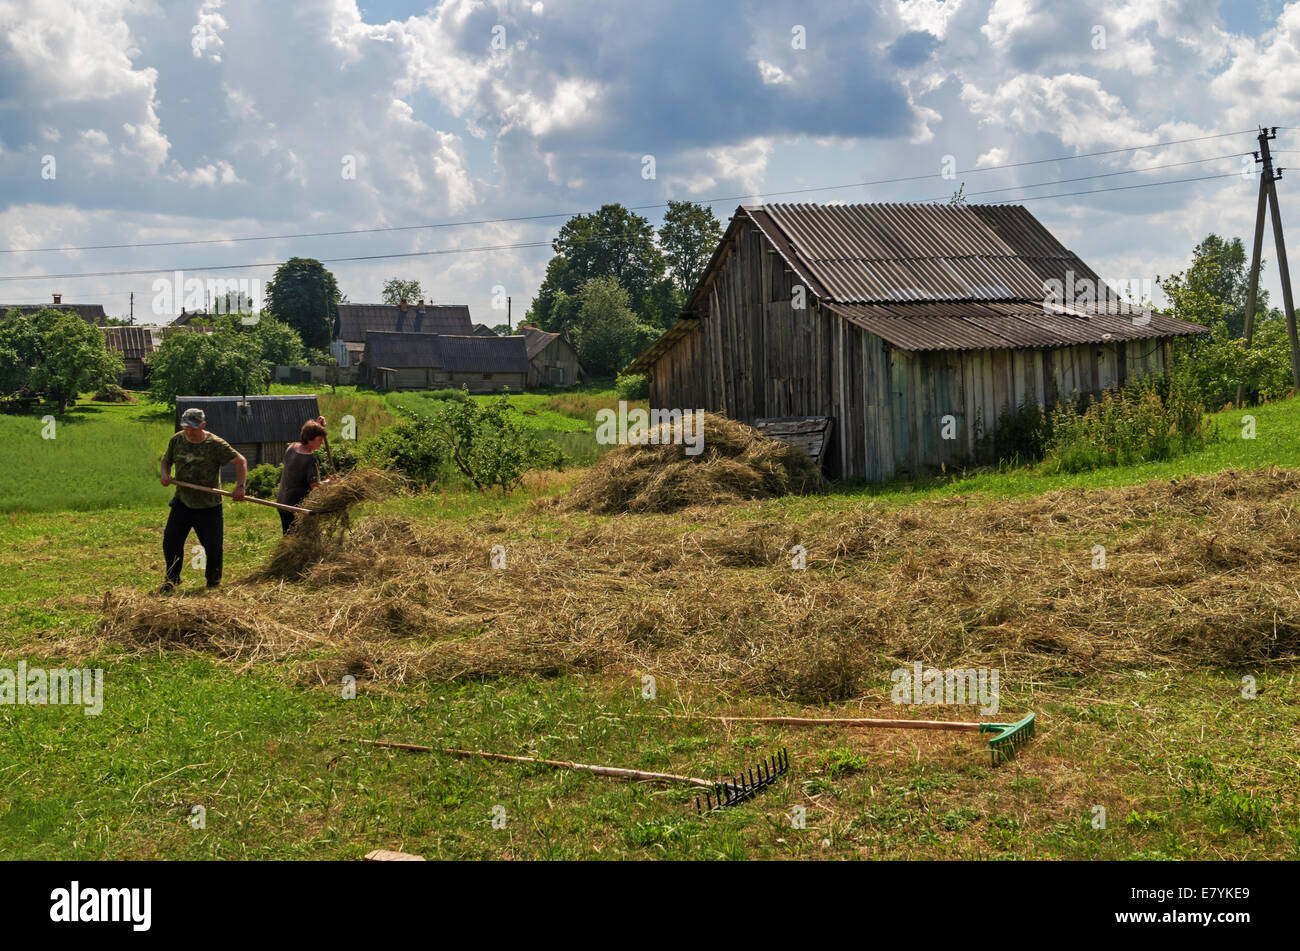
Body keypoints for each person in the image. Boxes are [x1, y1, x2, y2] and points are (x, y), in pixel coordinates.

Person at [159, 407, 247, 593]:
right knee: (171, 541)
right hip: (183, 501)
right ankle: (172, 579)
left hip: (209, 505)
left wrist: (240, 487)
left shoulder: (215, 444)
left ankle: (213, 582)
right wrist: (165, 474)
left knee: (213, 547)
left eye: (193, 428)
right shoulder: (177, 440)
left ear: (203, 425)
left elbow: (241, 461)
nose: (189, 432)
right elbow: (166, 460)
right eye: (186, 428)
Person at [277, 416, 332, 533]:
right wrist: (329, 482)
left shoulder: (291, 447)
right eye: (319, 440)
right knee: (297, 538)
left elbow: (308, 433)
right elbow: (315, 485)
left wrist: (317, 427)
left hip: (282, 502)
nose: (321, 443)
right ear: (310, 440)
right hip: (296, 506)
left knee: (288, 535)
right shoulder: (310, 459)